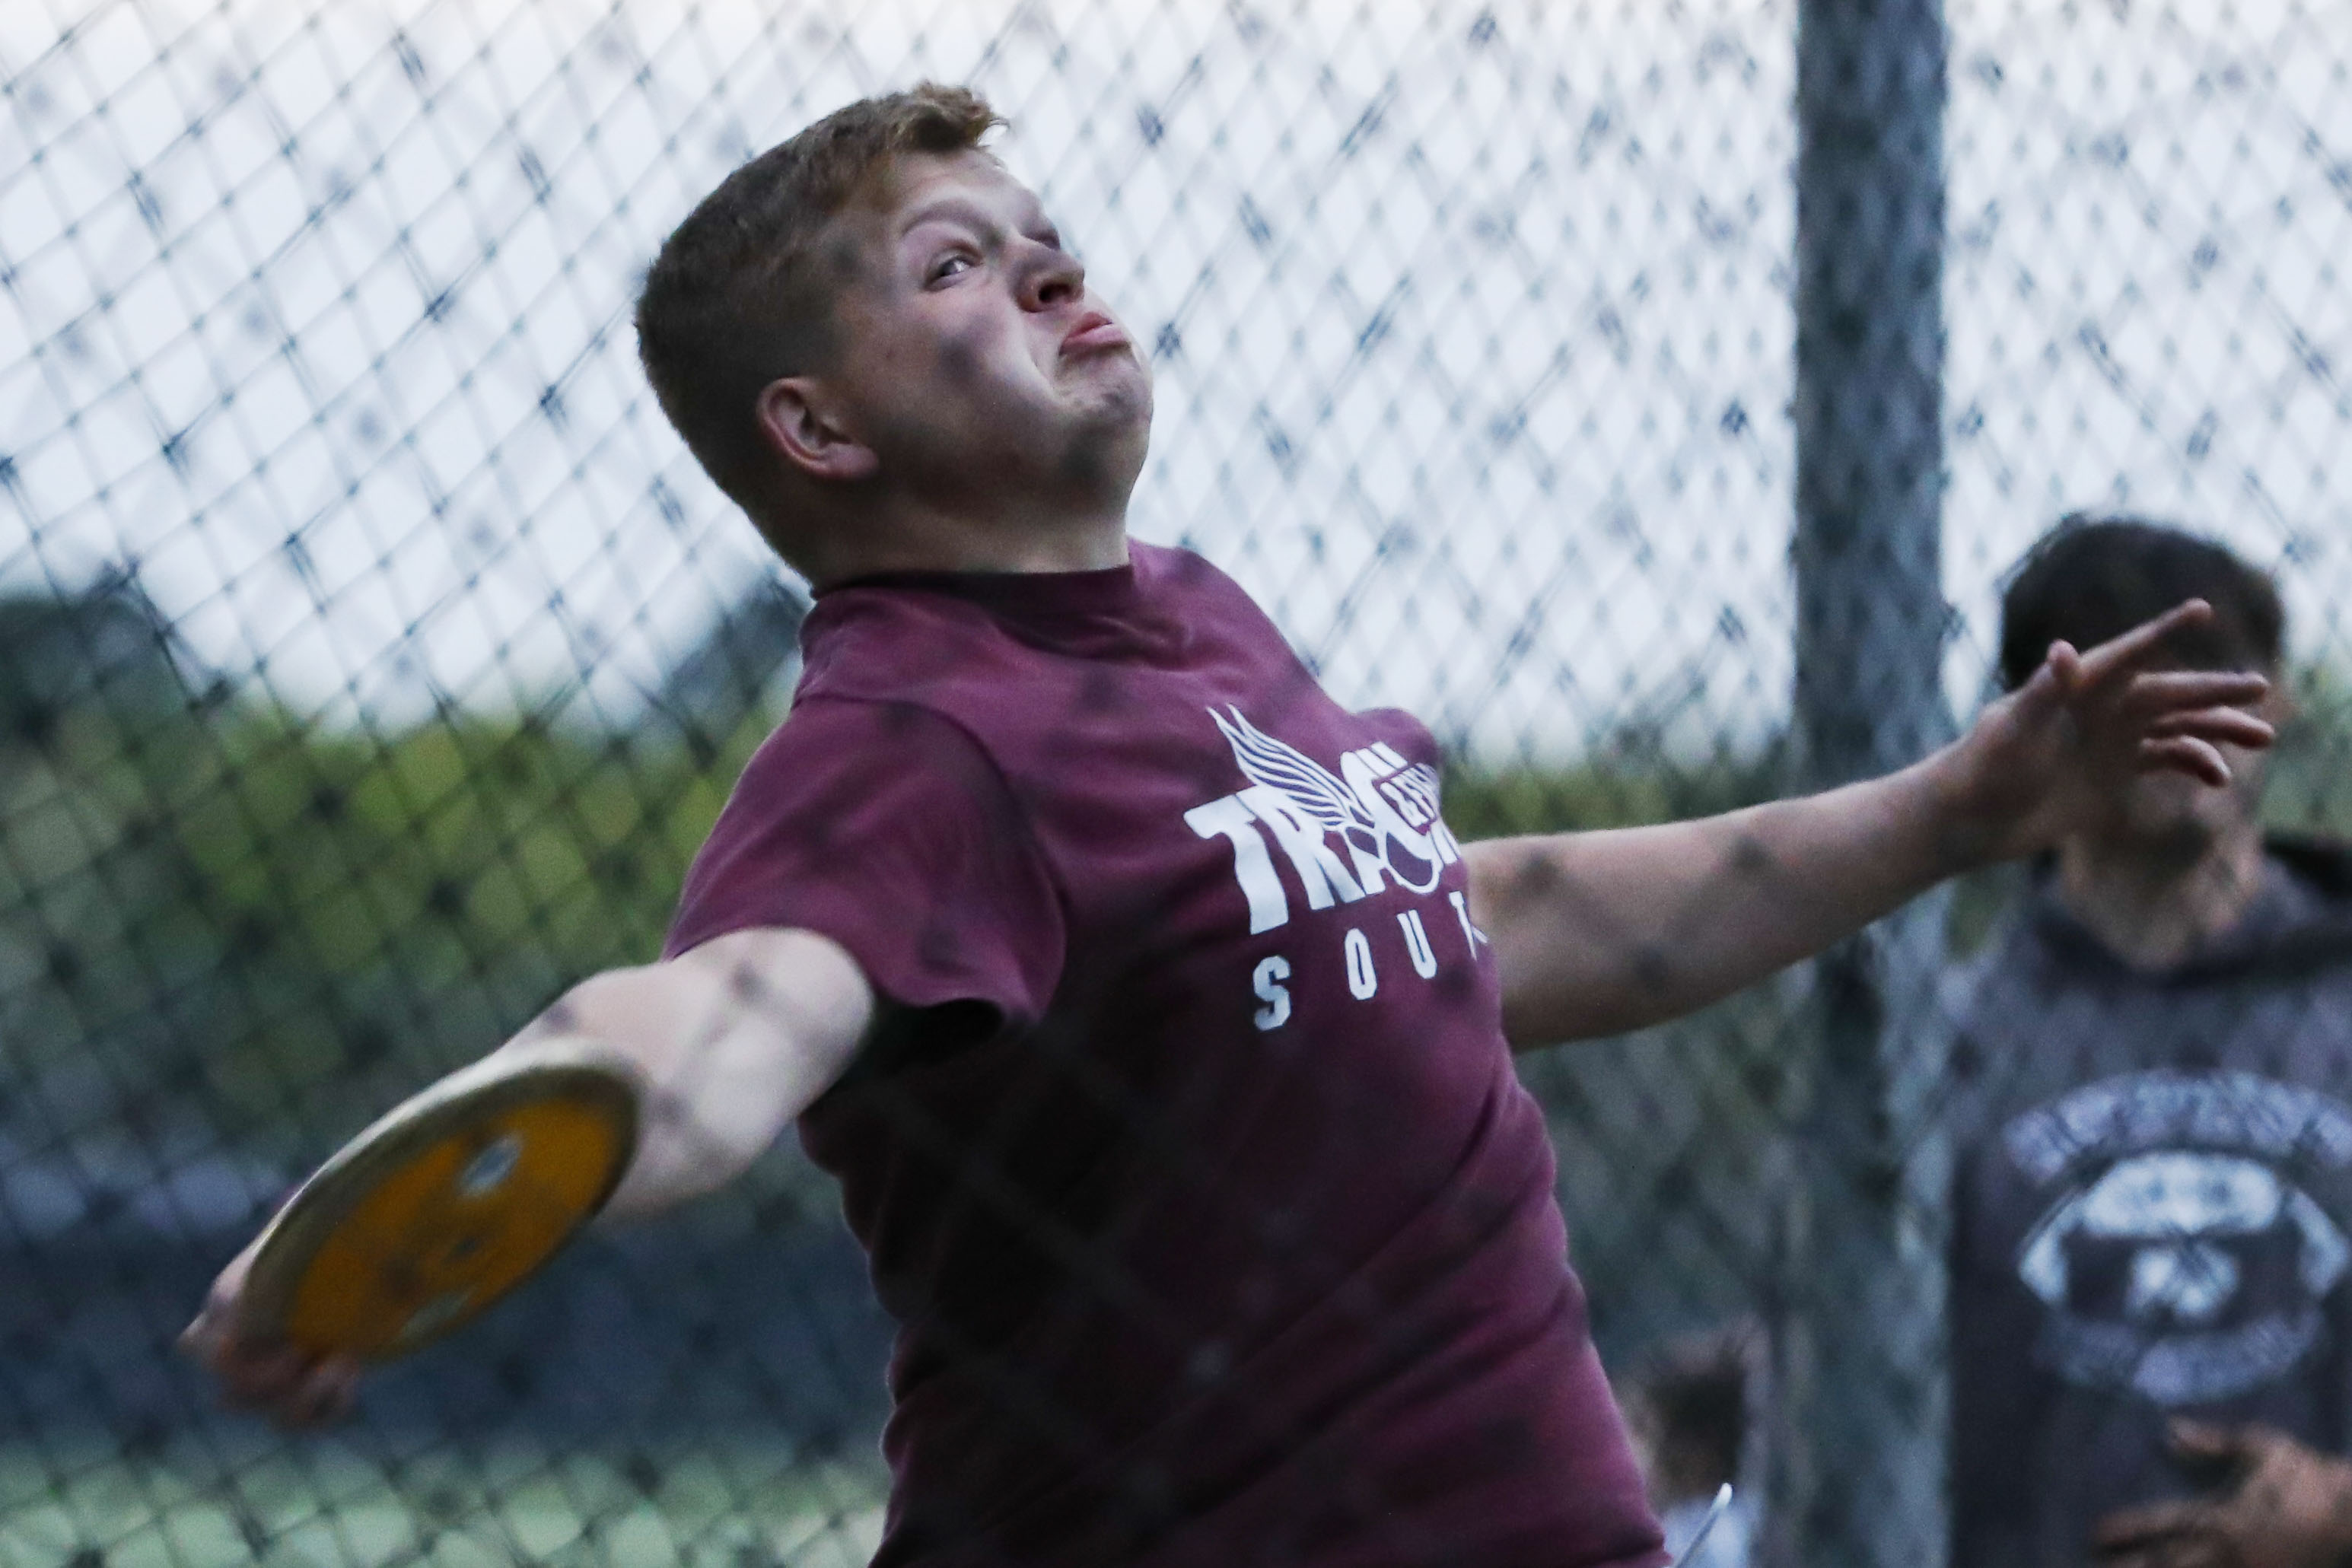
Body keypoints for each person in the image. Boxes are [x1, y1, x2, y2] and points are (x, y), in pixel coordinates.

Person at [183, 87, 2272, 1568]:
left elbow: (1468, 926)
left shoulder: (1193, 627)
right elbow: (731, 1008)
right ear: (816, 427)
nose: (1047, 264)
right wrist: (476, 1152)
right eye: (954, 265)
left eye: (1038, 233)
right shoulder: (912, 741)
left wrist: (1954, 806)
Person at [1948, 517, 2352, 1568]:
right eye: (2126, 680)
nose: (2182, 712)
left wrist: (2341, 1512)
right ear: (2035, 721)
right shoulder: (1943, 1037)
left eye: (2214, 671)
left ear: (2277, 700)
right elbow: (1833, 1392)